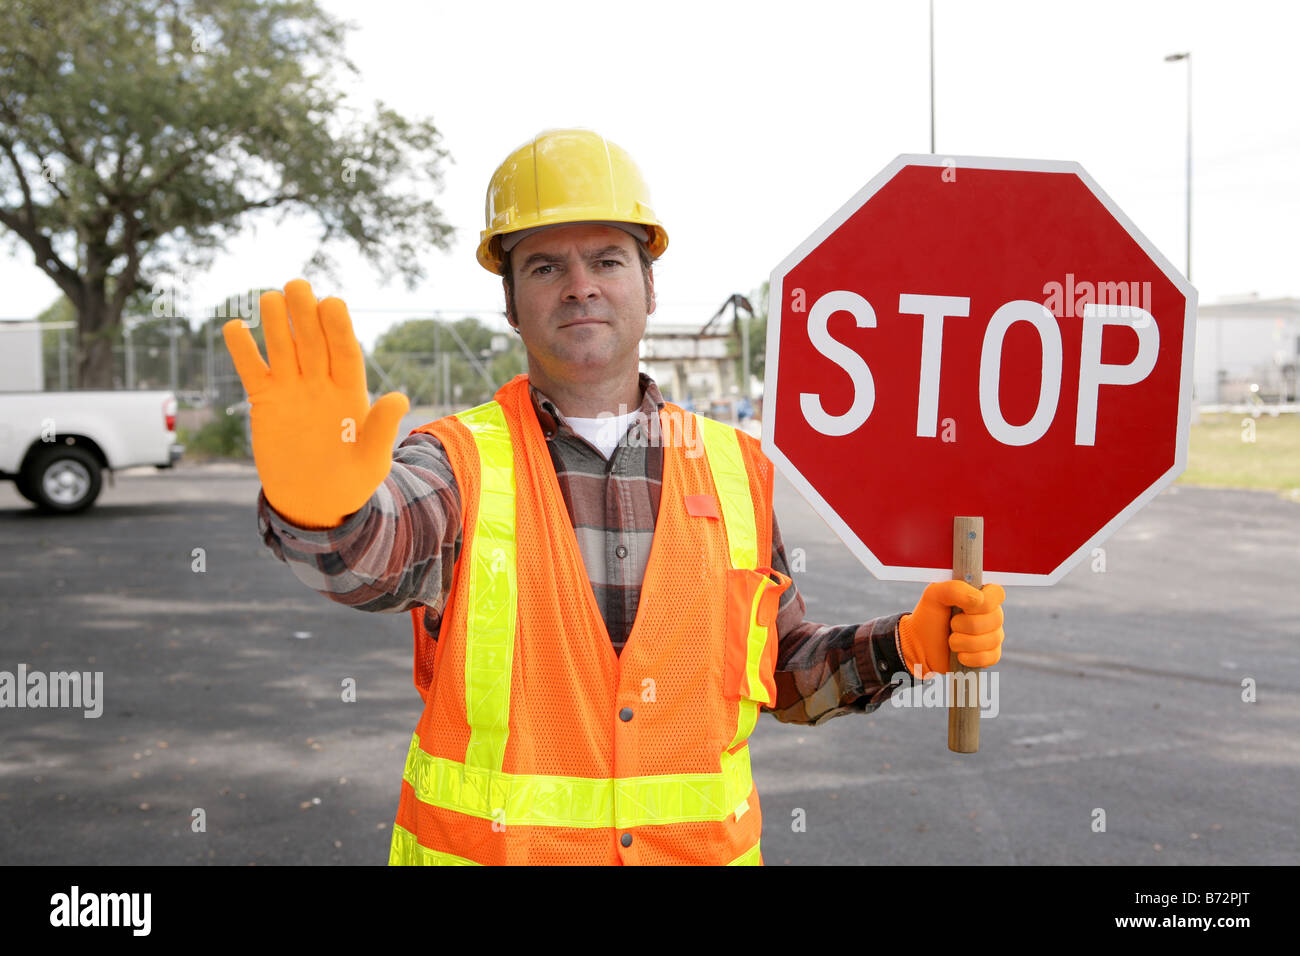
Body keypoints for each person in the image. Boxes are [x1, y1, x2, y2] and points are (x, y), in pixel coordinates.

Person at [222, 128, 1006, 866]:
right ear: (510, 304)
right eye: (544, 267)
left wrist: (905, 646)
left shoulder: (734, 465)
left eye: (606, 259)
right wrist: (320, 509)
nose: (579, 287)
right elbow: (370, 557)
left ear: (649, 286)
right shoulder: (455, 464)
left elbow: (779, 673)